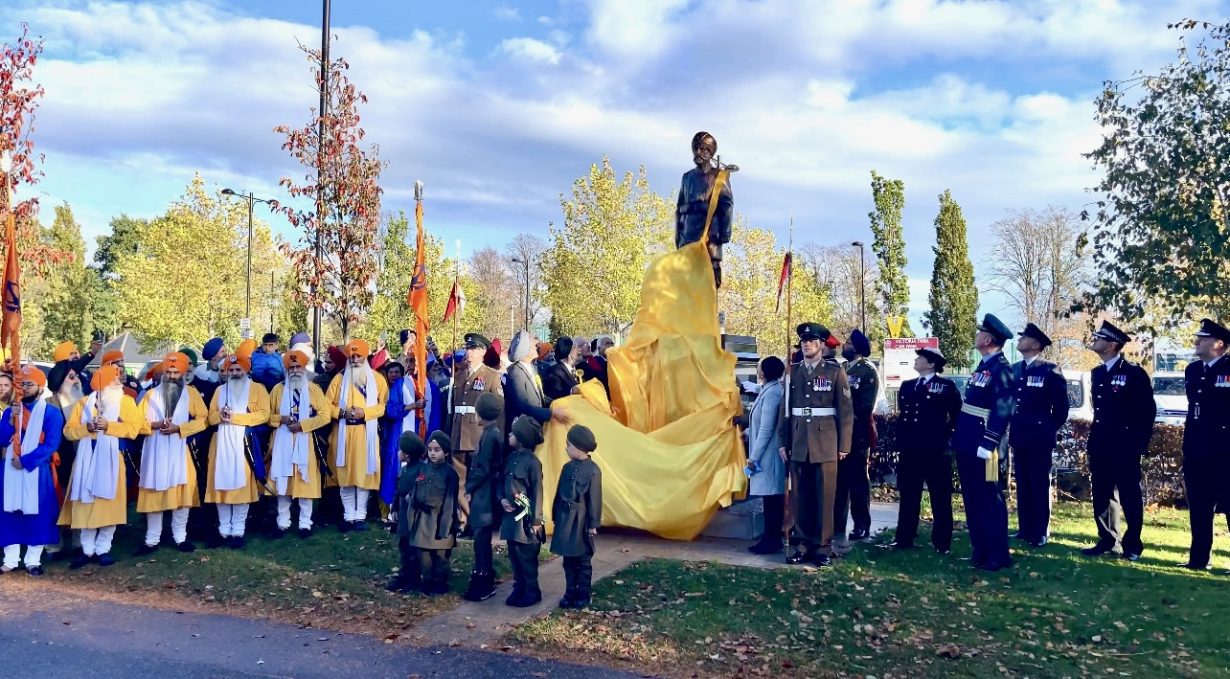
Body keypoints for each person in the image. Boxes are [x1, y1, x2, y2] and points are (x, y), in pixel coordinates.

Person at [778, 323, 852, 567]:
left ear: (821, 345)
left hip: (825, 442)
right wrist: (782, 441)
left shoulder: (834, 371)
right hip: (799, 440)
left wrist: (844, 444)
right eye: (803, 341)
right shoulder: (792, 372)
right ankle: (801, 543)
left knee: (824, 496)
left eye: (811, 341)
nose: (806, 344)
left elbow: (845, 411)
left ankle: (822, 546)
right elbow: (785, 411)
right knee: (800, 496)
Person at [1081, 321, 1154, 561]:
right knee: (1102, 493)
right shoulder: (1098, 373)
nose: (1095, 339)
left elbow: (1146, 412)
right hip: (1102, 443)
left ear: (1112, 345)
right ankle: (1108, 539)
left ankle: (1132, 544)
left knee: (1129, 494)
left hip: (1125, 445)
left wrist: (1139, 445)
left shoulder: (1133, 373)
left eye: (1100, 337)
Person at [58, 366, 142, 568]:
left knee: (109, 504)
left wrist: (109, 427)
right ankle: (87, 551)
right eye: (114, 381)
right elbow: (69, 432)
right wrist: (86, 428)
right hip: (86, 459)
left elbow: (134, 429)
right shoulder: (83, 404)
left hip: (112, 459)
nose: (120, 384)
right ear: (103, 384)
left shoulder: (126, 402)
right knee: (86, 503)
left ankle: (103, 549)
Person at [954, 314, 1017, 572]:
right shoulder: (983, 367)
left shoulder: (1002, 370)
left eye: (980, 332)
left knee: (990, 498)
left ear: (988, 339)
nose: (976, 336)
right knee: (972, 497)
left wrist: (989, 442)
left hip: (986, 447)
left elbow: (1003, 410)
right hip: (969, 442)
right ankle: (980, 549)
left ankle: (997, 554)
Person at [136, 352, 209, 554]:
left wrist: (180, 428)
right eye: (168, 371)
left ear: (183, 372)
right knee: (154, 495)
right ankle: (151, 540)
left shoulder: (191, 394)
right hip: (155, 451)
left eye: (176, 372)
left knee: (182, 495)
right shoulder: (150, 396)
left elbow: (203, 419)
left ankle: (180, 537)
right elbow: (136, 423)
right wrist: (155, 424)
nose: (171, 375)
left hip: (180, 449)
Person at [892, 347, 962, 553]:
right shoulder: (907, 386)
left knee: (940, 496)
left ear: (931, 364)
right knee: (908, 495)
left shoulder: (946, 386)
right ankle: (904, 538)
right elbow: (904, 416)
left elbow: (957, 415)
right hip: (910, 449)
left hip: (935, 449)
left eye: (920, 358)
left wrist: (947, 436)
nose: (916, 360)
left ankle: (942, 542)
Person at [1008, 323, 1070, 547]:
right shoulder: (1016, 369)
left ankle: (1041, 531)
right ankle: (1025, 528)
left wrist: (1048, 427)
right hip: (1020, 434)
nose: (1020, 340)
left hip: (1039, 436)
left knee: (1039, 483)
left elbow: (1062, 408)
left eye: (1024, 338)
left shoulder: (1049, 370)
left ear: (1035, 344)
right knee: (1023, 482)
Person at [0, 366, 66, 575]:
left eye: (29, 384)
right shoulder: (11, 410)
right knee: (9, 513)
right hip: (10, 470)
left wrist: (27, 461)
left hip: (37, 470)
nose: (25, 388)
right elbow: (2, 439)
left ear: (41, 386)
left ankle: (33, 561)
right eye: (22, 384)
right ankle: (10, 560)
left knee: (37, 514)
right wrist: (11, 421)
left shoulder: (52, 413)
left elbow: (52, 444)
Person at [204, 354, 270, 549]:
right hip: (221, 443)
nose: (234, 373)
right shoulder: (219, 390)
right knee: (221, 485)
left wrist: (236, 418)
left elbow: (264, 414)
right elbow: (210, 417)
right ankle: (224, 530)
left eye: (238, 370)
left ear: (246, 370)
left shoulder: (258, 389)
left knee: (242, 486)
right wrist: (221, 417)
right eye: (230, 370)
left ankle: (238, 531)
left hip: (245, 443)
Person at [1179, 318, 1230, 570]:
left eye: (1204, 338)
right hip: (1197, 448)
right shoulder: (1193, 370)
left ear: (1219, 344)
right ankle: (1198, 559)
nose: (1197, 342)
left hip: (1225, 450)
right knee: (1199, 506)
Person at [326, 339, 388, 531]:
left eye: (358, 356)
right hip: (343, 432)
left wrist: (365, 413)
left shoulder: (377, 379)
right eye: (351, 356)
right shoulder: (339, 378)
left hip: (365, 433)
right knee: (345, 475)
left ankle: (360, 516)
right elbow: (326, 405)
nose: (354, 360)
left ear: (365, 357)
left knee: (362, 475)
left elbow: (383, 406)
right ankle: (348, 516)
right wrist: (342, 413)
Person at [267, 350, 331, 539]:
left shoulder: (314, 389)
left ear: (304, 369)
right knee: (283, 483)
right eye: (291, 367)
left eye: (298, 367)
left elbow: (325, 416)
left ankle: (305, 524)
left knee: (305, 484)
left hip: (305, 441)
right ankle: (283, 523)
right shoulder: (277, 390)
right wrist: (281, 419)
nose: (295, 370)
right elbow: (266, 416)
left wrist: (303, 425)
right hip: (282, 440)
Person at [449, 333, 504, 532]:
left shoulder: (492, 376)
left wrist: (497, 437)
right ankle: (463, 521)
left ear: (482, 351)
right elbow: (452, 406)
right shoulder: (458, 374)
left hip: (479, 435)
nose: (469, 352)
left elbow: (499, 410)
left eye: (473, 349)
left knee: (478, 479)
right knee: (459, 480)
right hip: (458, 432)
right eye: (468, 348)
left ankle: (478, 521)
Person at [399, 430, 460, 596]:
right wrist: (411, 518)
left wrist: (446, 527)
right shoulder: (423, 470)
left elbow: (450, 501)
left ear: (446, 452)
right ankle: (427, 581)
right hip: (423, 520)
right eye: (430, 449)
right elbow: (414, 495)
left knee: (440, 556)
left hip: (439, 519)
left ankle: (439, 583)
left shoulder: (449, 473)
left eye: (437, 450)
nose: (432, 453)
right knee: (423, 555)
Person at [551, 424, 602, 609]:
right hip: (566, 520)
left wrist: (592, 524)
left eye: (568, 445)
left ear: (579, 447)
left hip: (581, 521)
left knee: (583, 559)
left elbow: (595, 499)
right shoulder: (566, 468)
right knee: (568, 560)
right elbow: (559, 493)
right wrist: (556, 515)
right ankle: (570, 591)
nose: (566, 448)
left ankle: (583, 592)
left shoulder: (593, 470)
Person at [675, 131, 734, 287]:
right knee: (687, 279)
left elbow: (727, 204)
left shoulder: (719, 176)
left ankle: (708, 307)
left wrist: (725, 233)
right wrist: (678, 236)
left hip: (711, 235)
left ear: (710, 152)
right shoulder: (687, 177)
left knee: (710, 277)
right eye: (696, 148)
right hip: (688, 235)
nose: (698, 152)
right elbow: (679, 208)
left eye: (702, 148)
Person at [462, 392, 505, 601]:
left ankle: (484, 578)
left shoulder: (490, 436)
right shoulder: (492, 432)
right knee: (481, 538)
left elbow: (483, 468)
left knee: (481, 538)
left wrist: (468, 487)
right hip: (484, 493)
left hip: (484, 496)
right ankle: (483, 573)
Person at [837, 329, 878, 542]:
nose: (845, 345)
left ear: (858, 347)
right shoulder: (841, 368)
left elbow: (864, 406)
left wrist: (844, 417)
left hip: (857, 434)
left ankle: (861, 525)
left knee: (858, 482)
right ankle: (838, 524)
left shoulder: (868, 371)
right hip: (838, 435)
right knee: (839, 482)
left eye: (848, 343)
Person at [500, 415, 546, 607]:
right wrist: (501, 499)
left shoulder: (532, 462)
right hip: (511, 517)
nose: (509, 434)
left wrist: (536, 520)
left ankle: (532, 591)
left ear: (521, 437)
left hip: (525, 518)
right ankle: (519, 588)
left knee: (526, 556)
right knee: (514, 553)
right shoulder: (511, 458)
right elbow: (502, 483)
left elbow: (537, 491)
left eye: (513, 432)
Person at [745, 356, 786, 555]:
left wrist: (754, 457)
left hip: (768, 454)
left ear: (764, 372)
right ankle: (770, 536)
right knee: (769, 498)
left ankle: (772, 538)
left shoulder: (773, 393)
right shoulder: (768, 390)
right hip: (765, 452)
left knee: (773, 498)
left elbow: (766, 428)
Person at [381, 361, 426, 518]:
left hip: (423, 435)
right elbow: (391, 410)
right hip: (399, 434)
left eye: (417, 361)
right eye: (410, 361)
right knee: (397, 471)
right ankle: (394, 512)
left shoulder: (430, 385)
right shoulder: (400, 384)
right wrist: (411, 406)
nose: (413, 365)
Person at [504, 331, 569, 430]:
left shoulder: (532, 368)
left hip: (536, 426)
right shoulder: (515, 372)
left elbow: (541, 396)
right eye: (534, 345)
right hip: (524, 432)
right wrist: (551, 413)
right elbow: (522, 406)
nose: (537, 346)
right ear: (526, 349)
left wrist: (560, 403)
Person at [388, 431, 425, 593]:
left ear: (408, 455)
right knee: (403, 544)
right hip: (403, 515)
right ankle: (404, 573)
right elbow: (398, 490)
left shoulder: (422, 470)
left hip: (415, 516)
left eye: (401, 450)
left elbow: (421, 490)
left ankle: (414, 577)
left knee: (413, 548)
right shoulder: (403, 470)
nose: (398, 453)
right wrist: (394, 508)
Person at [543, 337, 581, 402]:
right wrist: (572, 391)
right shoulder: (554, 371)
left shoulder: (579, 368)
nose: (579, 350)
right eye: (575, 347)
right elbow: (554, 393)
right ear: (568, 351)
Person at [193, 337, 229, 406]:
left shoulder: (231, 369)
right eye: (222, 352)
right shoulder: (200, 371)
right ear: (213, 357)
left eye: (225, 351)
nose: (225, 354)